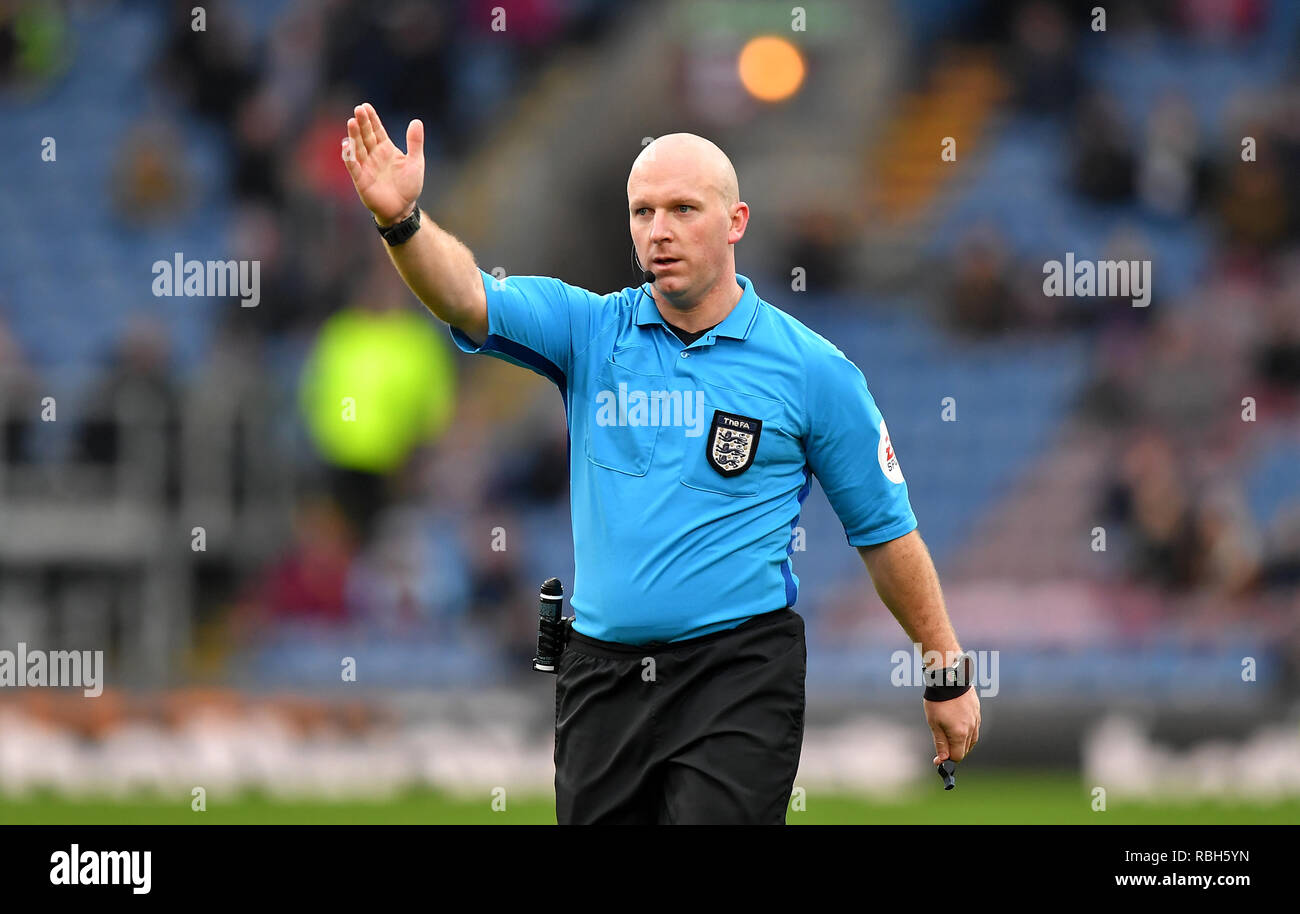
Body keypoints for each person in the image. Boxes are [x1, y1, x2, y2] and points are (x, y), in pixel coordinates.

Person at [341, 103, 980, 824]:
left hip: (736, 676)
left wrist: (944, 669)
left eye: (683, 209)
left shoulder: (813, 372)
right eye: (643, 212)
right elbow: (464, 296)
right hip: (600, 678)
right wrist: (401, 222)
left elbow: (885, 533)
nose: (660, 230)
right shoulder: (589, 330)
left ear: (736, 221)